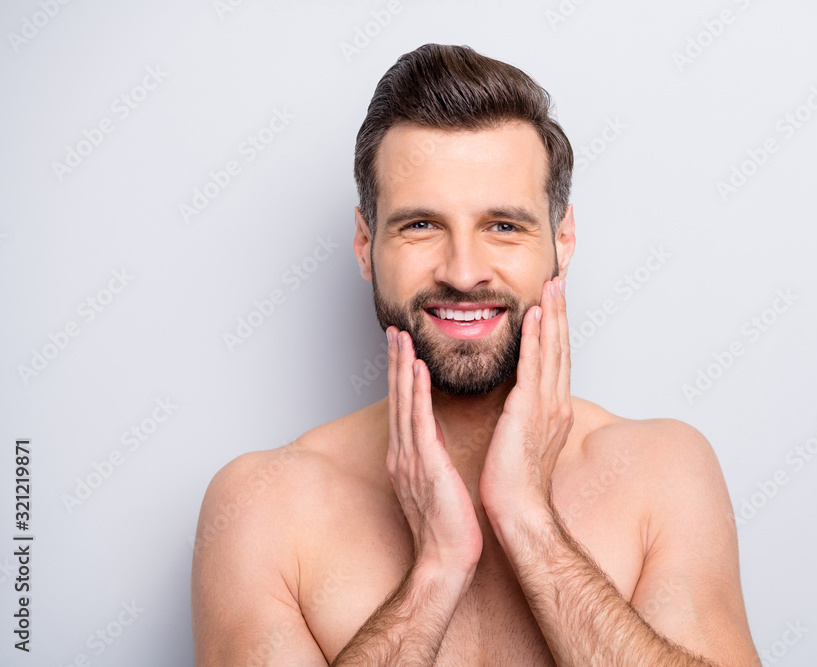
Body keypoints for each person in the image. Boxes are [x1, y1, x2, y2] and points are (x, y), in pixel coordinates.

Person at [191, 43, 761, 666]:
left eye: (504, 226)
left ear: (562, 240)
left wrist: (529, 521)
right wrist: (435, 570)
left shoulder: (664, 474)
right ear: (364, 243)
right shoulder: (261, 506)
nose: (463, 273)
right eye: (421, 225)